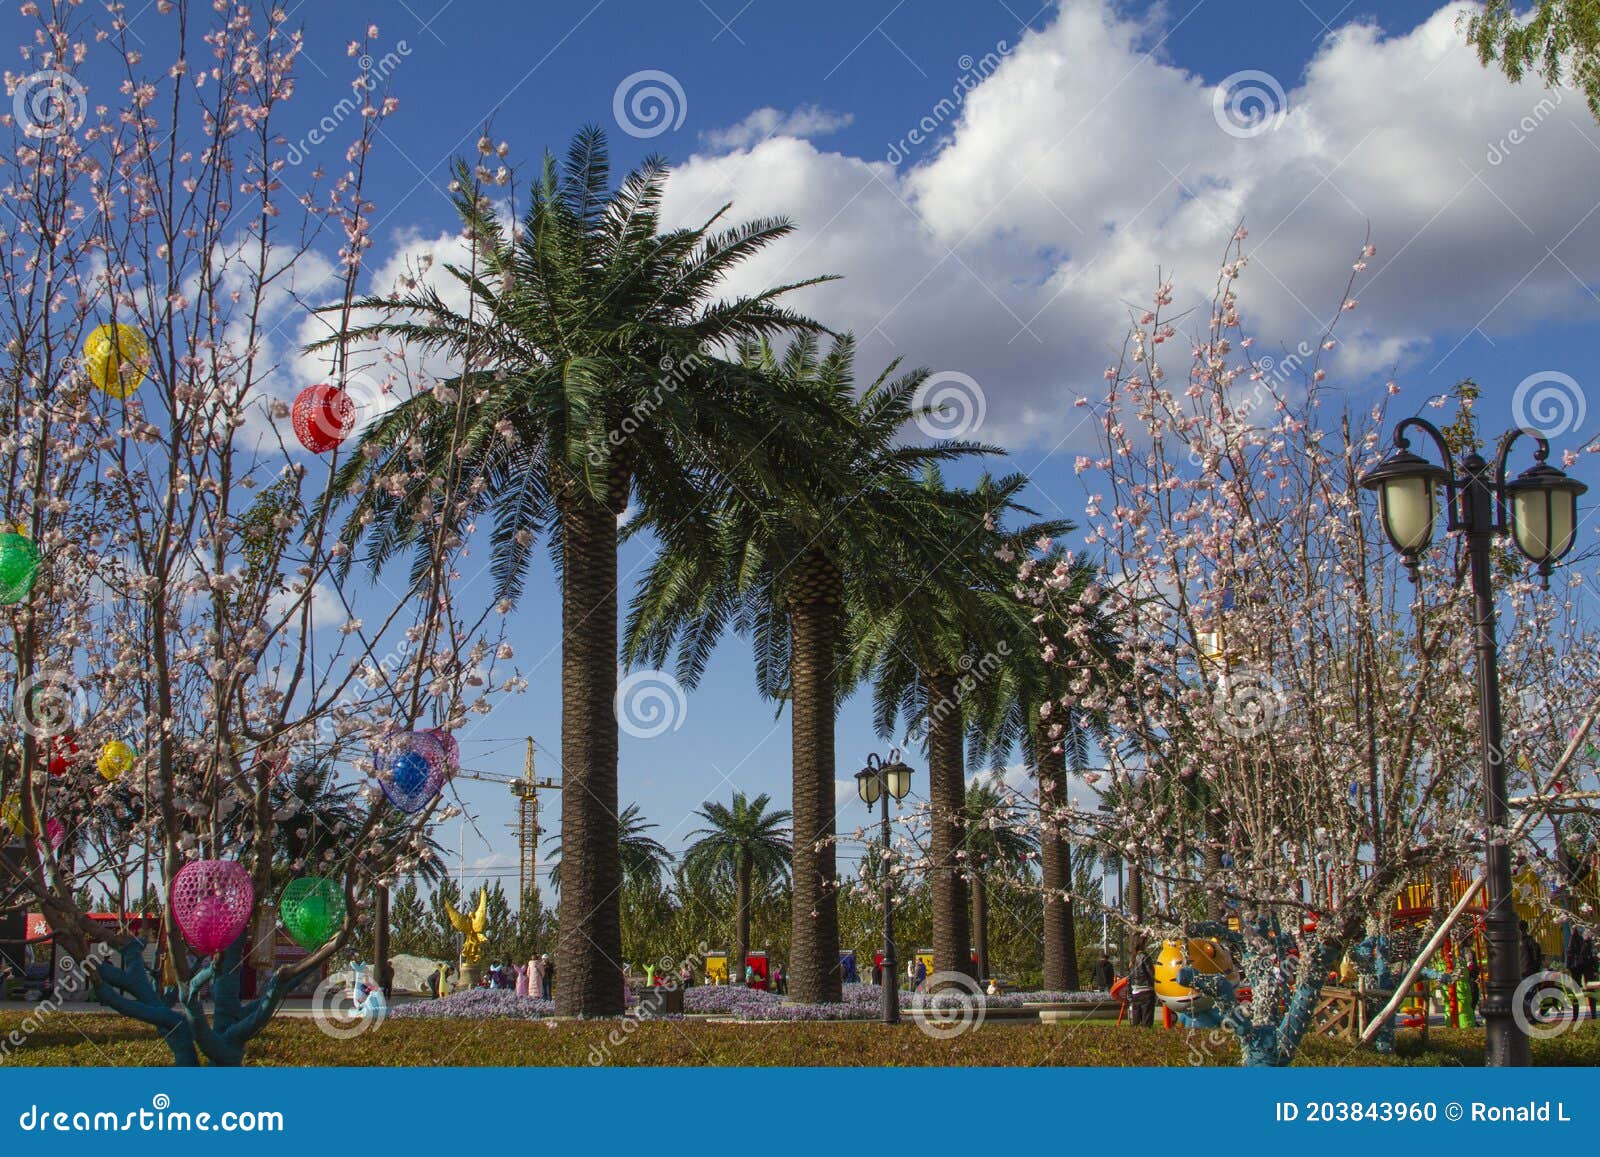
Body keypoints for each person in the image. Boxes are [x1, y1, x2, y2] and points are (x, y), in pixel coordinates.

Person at [1567, 927, 1598, 1020]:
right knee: (1589, 989)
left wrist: (1569, 966)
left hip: (1577, 965)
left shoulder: (1574, 936)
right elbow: (1592, 953)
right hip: (1585, 965)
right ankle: (1592, 1013)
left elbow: (1569, 951)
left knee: (1578, 989)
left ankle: (1576, 1015)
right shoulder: (1586, 935)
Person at [1128, 945, 1156, 1028]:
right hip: (1147, 990)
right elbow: (1151, 973)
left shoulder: (1132, 958)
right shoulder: (1144, 956)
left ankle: (1135, 1037)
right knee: (1147, 1022)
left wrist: (1129, 993)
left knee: (1135, 1021)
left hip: (1135, 992)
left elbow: (1129, 977)